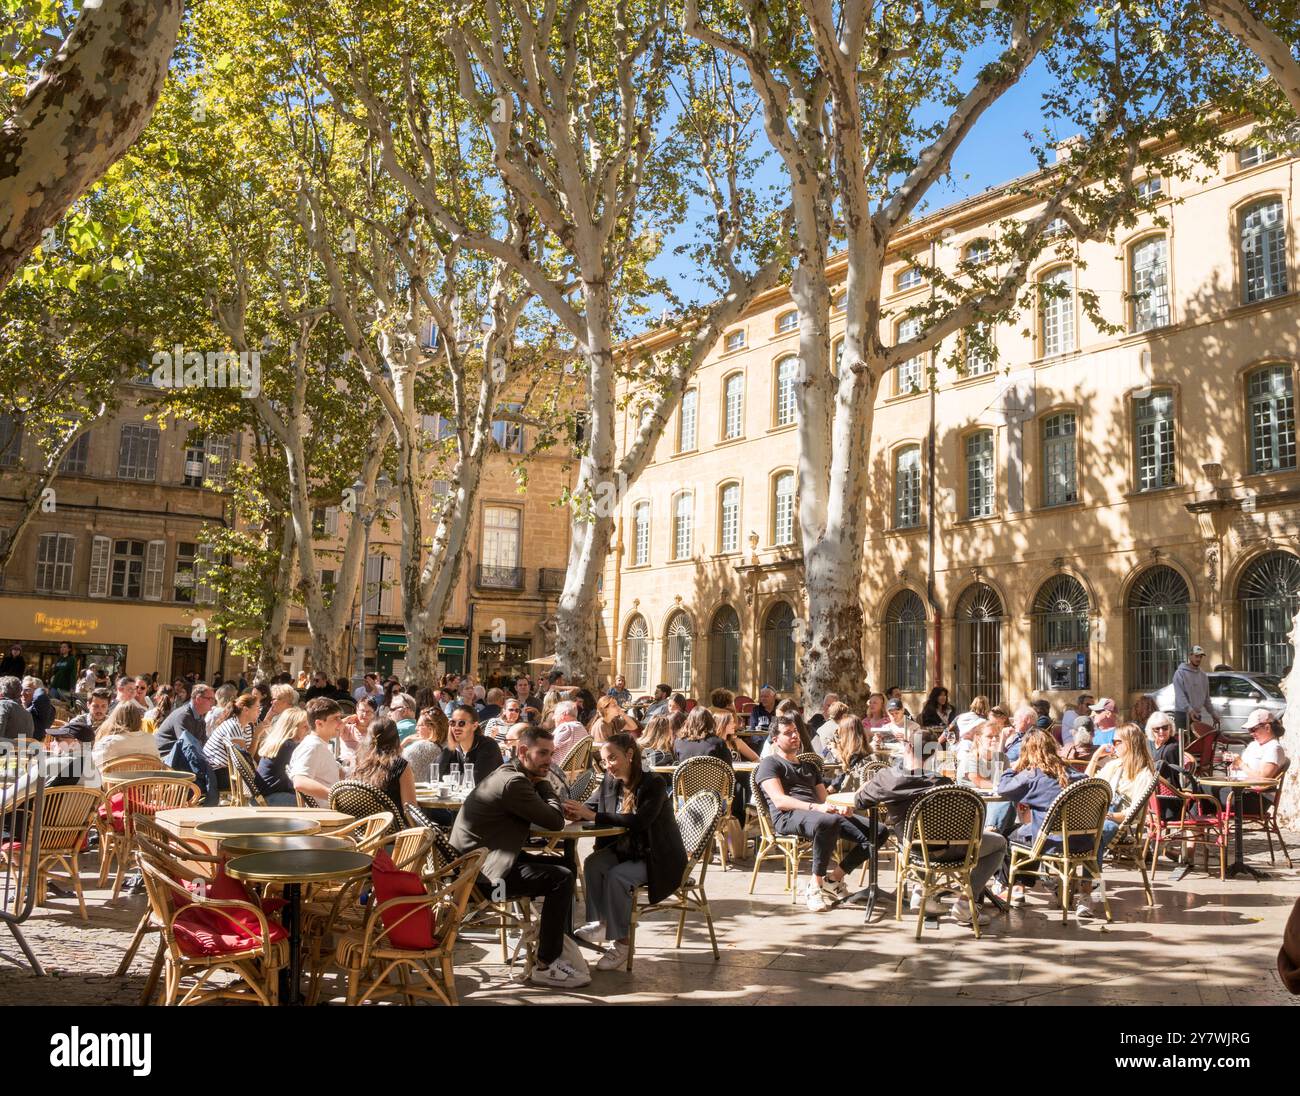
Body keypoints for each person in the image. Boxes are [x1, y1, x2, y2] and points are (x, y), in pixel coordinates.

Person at [449, 727, 588, 988]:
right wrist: (545, 784)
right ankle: (546, 964)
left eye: (552, 753)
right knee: (562, 877)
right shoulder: (514, 782)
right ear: (523, 751)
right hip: (481, 879)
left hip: (480, 863)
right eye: (543, 753)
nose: (550, 760)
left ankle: (555, 944)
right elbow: (555, 821)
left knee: (564, 867)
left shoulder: (509, 774)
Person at [857, 728, 1004, 927]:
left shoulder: (886, 778)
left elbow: (860, 801)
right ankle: (963, 903)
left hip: (914, 850)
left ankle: (922, 892)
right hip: (954, 851)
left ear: (907, 747)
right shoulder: (942, 783)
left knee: (924, 838)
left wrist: (867, 785)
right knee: (1000, 843)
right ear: (933, 753)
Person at [568, 733, 687, 970]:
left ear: (630, 755)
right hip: (627, 850)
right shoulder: (610, 781)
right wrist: (573, 811)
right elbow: (591, 807)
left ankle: (622, 943)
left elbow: (640, 821)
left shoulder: (653, 784)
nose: (607, 765)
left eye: (612, 758)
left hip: (657, 856)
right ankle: (603, 923)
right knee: (593, 864)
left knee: (617, 877)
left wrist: (592, 815)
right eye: (603, 761)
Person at [754, 714, 877, 912]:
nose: (795, 736)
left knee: (878, 831)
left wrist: (838, 807)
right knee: (827, 821)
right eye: (788, 733)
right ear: (775, 739)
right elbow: (780, 801)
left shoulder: (809, 766)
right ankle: (814, 886)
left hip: (820, 815)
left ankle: (833, 879)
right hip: (788, 816)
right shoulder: (770, 764)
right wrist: (818, 808)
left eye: (795, 731)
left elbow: (824, 799)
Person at [988, 729, 1085, 907]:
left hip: (1051, 842)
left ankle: (1014, 888)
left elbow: (1003, 789)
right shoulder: (1072, 773)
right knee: (1028, 832)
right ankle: (1026, 886)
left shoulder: (1031, 776)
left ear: (1027, 751)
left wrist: (1013, 768)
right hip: (1082, 841)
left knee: (1008, 836)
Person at [352, 716, 417, 810]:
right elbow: (410, 809)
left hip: (360, 822)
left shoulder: (358, 762)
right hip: (389, 823)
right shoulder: (400, 766)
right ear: (396, 739)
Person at [288, 697, 345, 803]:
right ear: (319, 724)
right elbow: (300, 781)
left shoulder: (319, 745)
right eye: (335, 718)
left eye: (340, 718)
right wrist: (337, 797)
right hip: (327, 814)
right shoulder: (312, 746)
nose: (341, 722)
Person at [201, 693, 261, 791]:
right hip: (216, 773)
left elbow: (252, 756)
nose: (259, 711)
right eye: (257, 707)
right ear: (246, 710)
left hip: (229, 770)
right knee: (262, 783)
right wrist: (257, 736)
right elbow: (244, 760)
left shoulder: (247, 726)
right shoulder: (233, 726)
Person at [441, 704, 504, 787]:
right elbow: (432, 776)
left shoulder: (488, 746)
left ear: (474, 726)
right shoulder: (453, 748)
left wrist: (448, 779)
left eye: (461, 723)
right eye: (452, 723)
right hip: (459, 798)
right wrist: (449, 748)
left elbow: (476, 780)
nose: (456, 727)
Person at [256, 707, 309, 805]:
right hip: (271, 798)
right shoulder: (288, 747)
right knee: (314, 802)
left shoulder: (279, 742)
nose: (308, 730)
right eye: (305, 727)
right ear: (294, 728)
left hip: (263, 795)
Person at [91, 701, 161, 770]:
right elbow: (158, 764)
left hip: (115, 781)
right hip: (148, 780)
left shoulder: (109, 742)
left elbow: (92, 768)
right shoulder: (150, 739)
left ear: (115, 718)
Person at [154, 683, 214, 761]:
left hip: (178, 757)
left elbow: (203, 744)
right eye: (210, 699)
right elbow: (186, 745)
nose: (213, 702)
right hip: (164, 759)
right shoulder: (183, 716)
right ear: (198, 699)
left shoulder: (200, 717)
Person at [1172, 645, 1218, 742]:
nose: (1198, 659)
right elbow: (1180, 695)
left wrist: (1213, 714)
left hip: (1196, 715)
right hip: (1182, 714)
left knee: (1196, 745)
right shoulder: (1180, 673)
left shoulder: (1203, 676)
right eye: (1196, 656)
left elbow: (1206, 698)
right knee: (1182, 746)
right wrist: (1189, 710)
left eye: (1200, 656)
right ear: (1190, 656)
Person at [403, 706, 448, 783]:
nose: (416, 728)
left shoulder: (419, 747)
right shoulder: (448, 746)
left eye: (419, 725)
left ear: (431, 728)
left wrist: (404, 742)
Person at [0, 677, 35, 742]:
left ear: (1, 693)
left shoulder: (3, 705)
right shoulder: (28, 714)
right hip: (21, 751)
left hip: (6, 750)